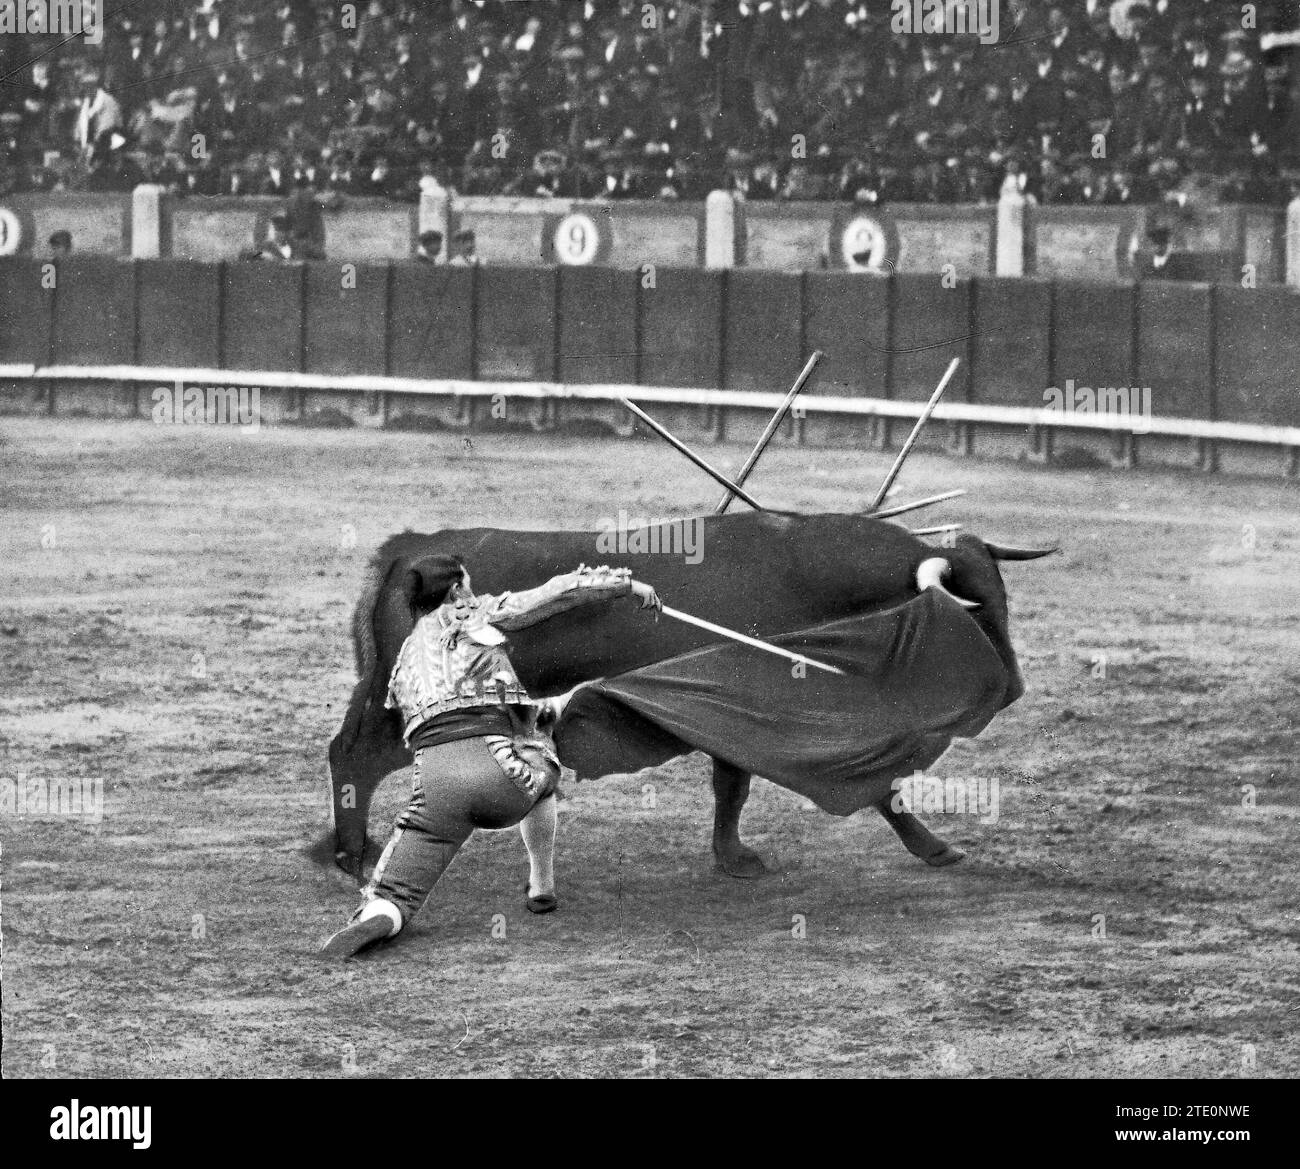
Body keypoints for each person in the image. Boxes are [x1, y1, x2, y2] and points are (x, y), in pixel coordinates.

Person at [322, 557, 662, 958]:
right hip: (501, 775)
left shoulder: (408, 653)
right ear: (454, 590)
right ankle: (542, 886)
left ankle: (379, 916)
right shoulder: (471, 611)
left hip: (434, 785)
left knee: (395, 892)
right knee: (542, 751)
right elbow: (554, 594)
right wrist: (625, 585)